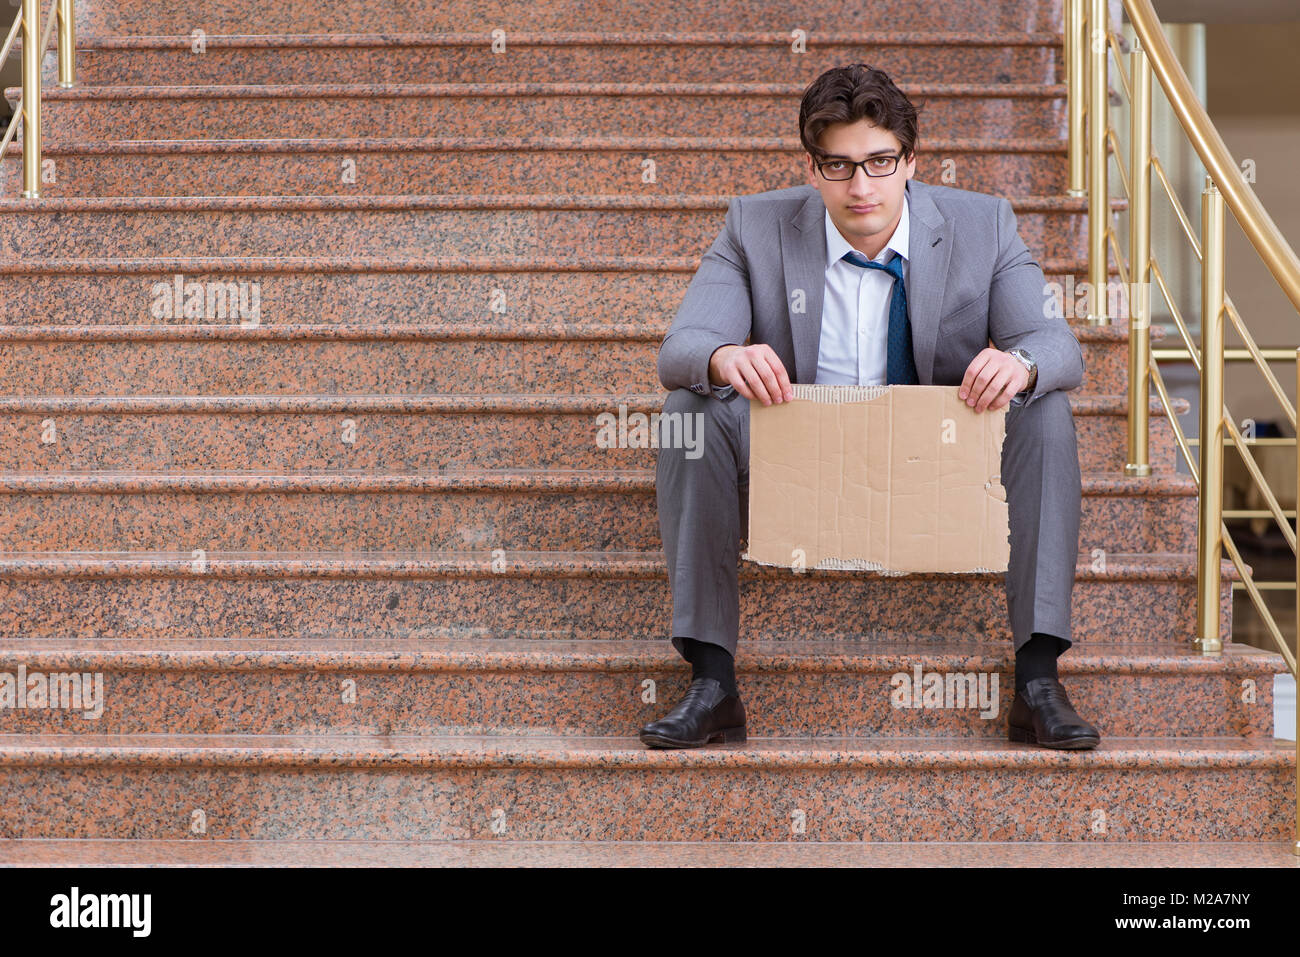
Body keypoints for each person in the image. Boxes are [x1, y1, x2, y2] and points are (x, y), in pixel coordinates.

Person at [641, 63, 1100, 751]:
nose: (862, 187)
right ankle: (713, 682)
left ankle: (1037, 679)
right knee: (688, 412)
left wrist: (1020, 362)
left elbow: (1057, 344)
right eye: (840, 165)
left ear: (910, 160)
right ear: (813, 167)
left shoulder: (983, 225)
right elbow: (681, 346)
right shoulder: (755, 226)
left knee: (1045, 409)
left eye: (880, 162)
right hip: (798, 462)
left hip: (936, 457)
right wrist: (722, 359)